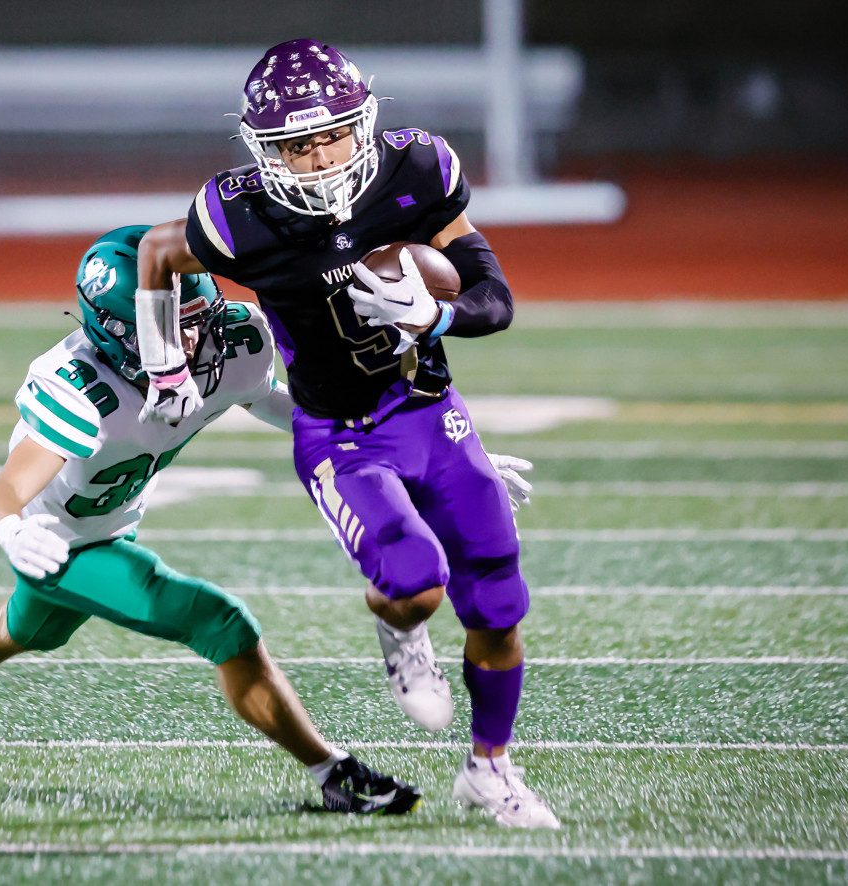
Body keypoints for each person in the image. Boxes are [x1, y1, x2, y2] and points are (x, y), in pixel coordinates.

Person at [133, 39, 559, 828]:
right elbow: (158, 252)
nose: (321, 156)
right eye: (297, 144)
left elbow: (494, 298)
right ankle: (399, 635)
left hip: (433, 414)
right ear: (264, 151)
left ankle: (489, 769)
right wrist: (165, 367)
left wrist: (440, 316)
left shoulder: (418, 169)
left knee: (499, 602)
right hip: (339, 433)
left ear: (364, 124)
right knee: (417, 581)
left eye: (333, 133)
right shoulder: (237, 214)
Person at [0, 225, 424, 815]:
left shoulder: (229, 343)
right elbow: (5, 490)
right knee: (222, 625)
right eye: (167, 323)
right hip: (57, 543)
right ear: (118, 333)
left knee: (25, 628)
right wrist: (13, 531)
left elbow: (278, 402)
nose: (192, 336)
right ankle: (333, 773)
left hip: (113, 521)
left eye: (195, 315)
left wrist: (397, 445)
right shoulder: (81, 389)